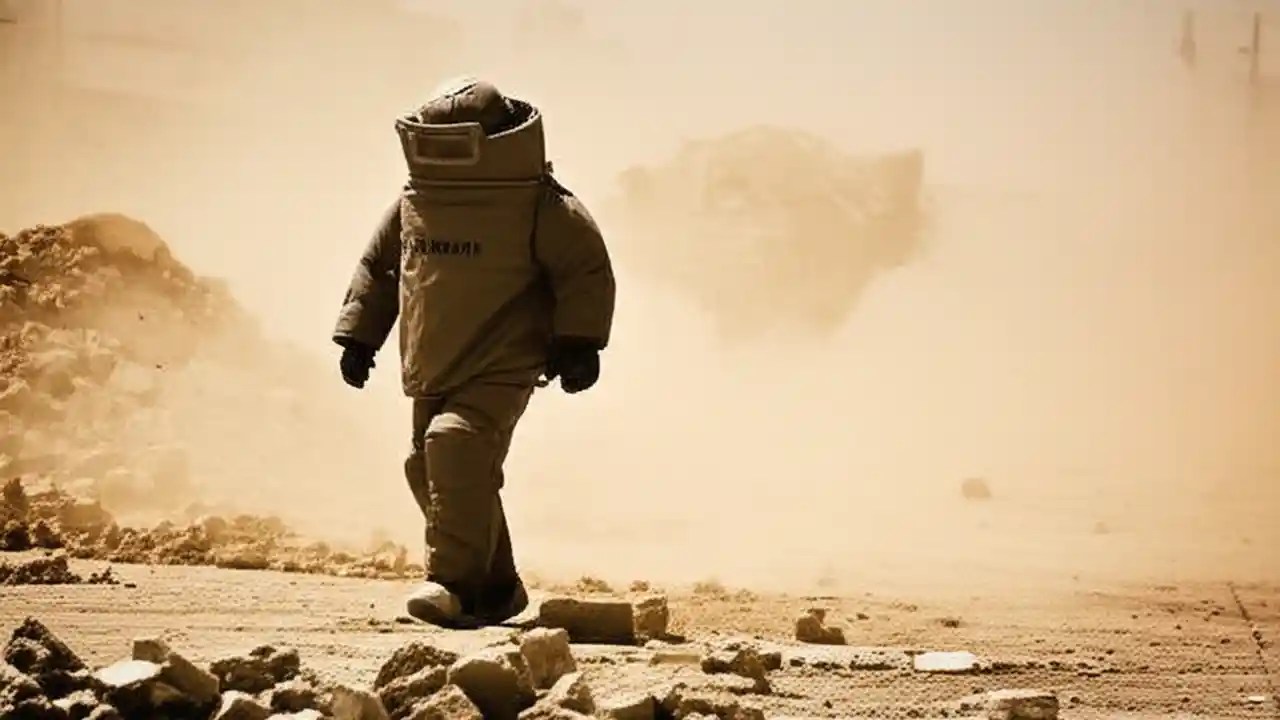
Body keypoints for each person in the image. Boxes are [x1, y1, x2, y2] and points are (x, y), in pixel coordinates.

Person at [331, 77, 616, 628]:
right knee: (428, 466)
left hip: (504, 360)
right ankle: (498, 587)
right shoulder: (415, 201)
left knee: (454, 443)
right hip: (434, 360)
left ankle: (453, 584)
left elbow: (584, 270)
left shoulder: (540, 204)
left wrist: (580, 342)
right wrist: (359, 335)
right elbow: (381, 269)